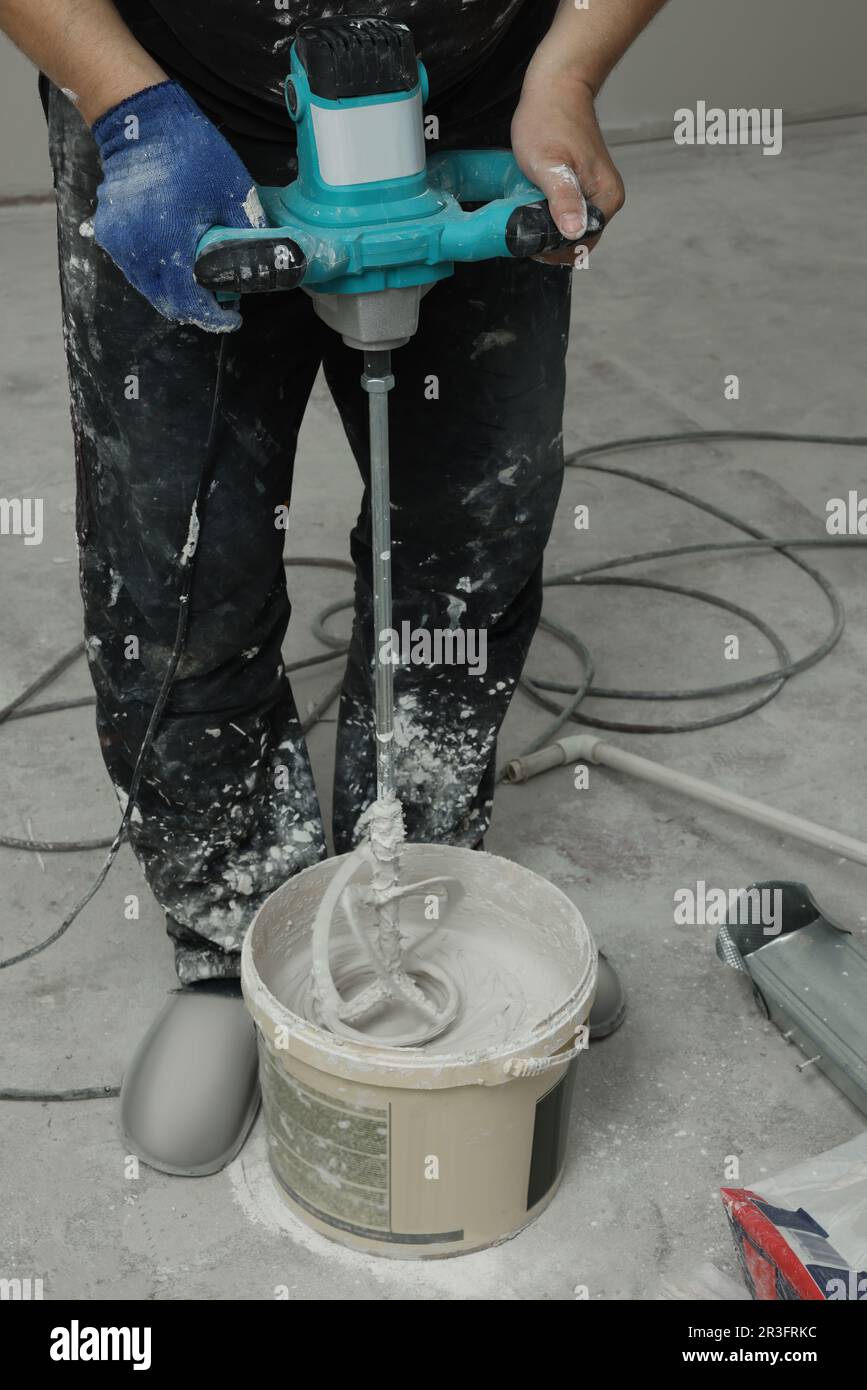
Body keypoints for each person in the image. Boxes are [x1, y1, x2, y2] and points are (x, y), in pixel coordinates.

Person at [1, 0, 664, 1174]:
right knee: (181, 564)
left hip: (473, 107)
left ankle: (421, 883)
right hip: (171, 101)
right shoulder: (151, 109)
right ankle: (228, 938)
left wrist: (571, 63)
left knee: (469, 545)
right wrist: (126, 104)